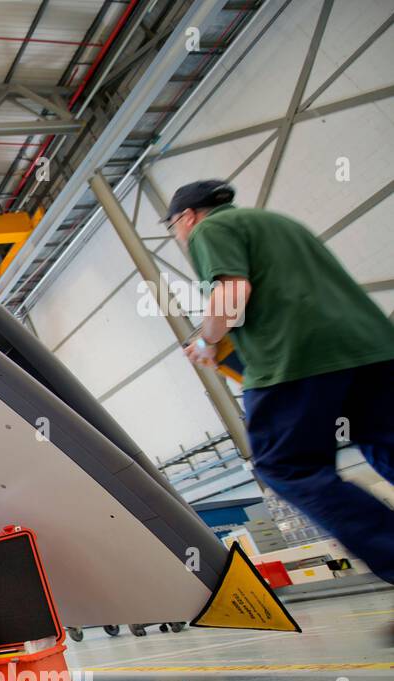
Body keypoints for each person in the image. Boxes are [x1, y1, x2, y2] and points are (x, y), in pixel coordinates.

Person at [167, 180, 394, 585]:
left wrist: (207, 341)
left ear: (186, 217)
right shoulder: (277, 222)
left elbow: (233, 291)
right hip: (371, 349)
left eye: (174, 229)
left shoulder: (209, 230)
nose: (180, 237)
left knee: (285, 468)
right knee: (384, 443)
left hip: (295, 358)